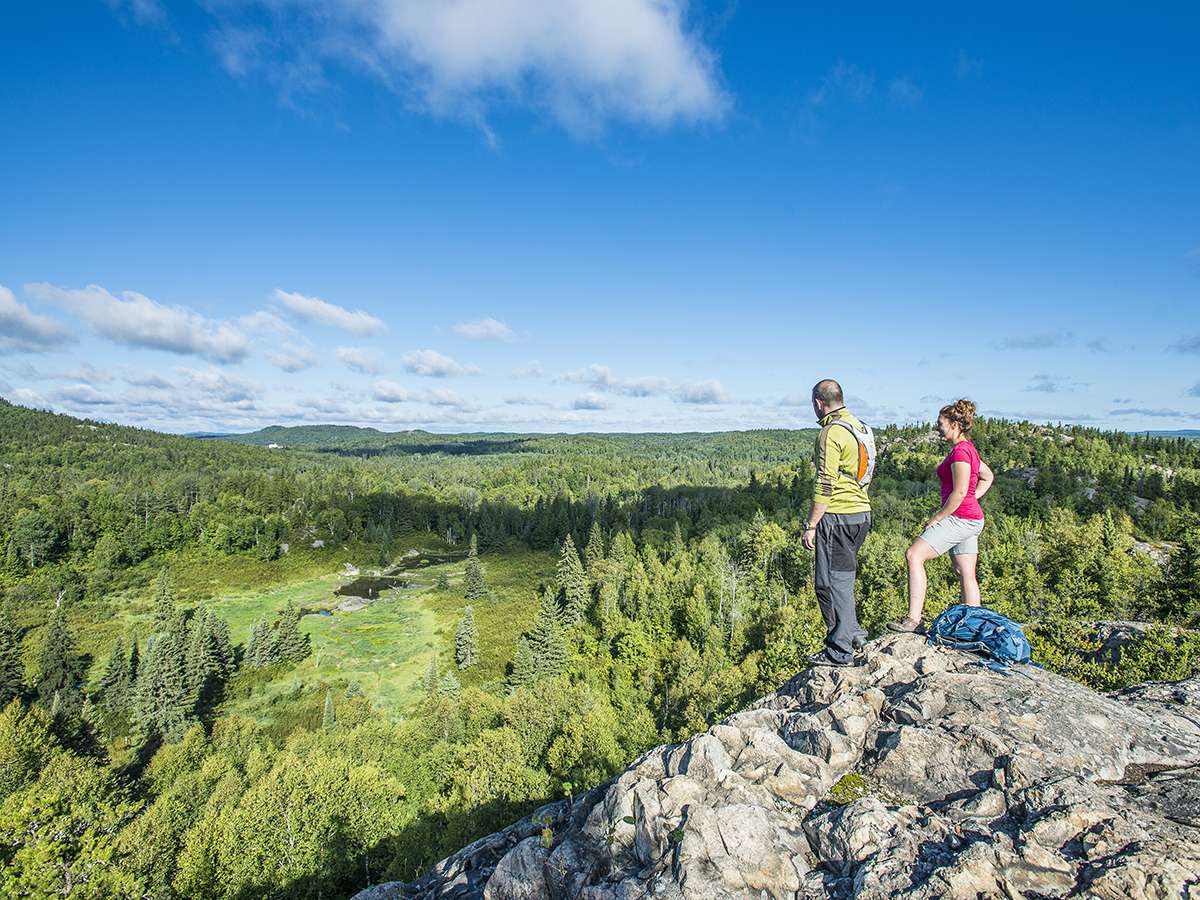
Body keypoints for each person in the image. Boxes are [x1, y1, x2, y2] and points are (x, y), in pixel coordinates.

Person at [888, 399, 994, 633]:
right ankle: (973, 626)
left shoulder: (960, 452)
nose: (938, 427)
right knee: (965, 572)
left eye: (940, 423)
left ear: (955, 424)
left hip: (960, 518)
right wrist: (973, 499)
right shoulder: (969, 449)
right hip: (971, 518)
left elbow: (958, 493)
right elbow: (988, 476)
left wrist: (938, 517)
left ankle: (914, 620)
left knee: (914, 555)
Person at [802, 379, 873, 666]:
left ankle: (839, 650)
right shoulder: (861, 427)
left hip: (838, 517)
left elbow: (825, 482)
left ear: (819, 403)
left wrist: (811, 524)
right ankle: (853, 633)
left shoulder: (831, 433)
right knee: (840, 579)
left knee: (831, 584)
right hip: (861, 514)